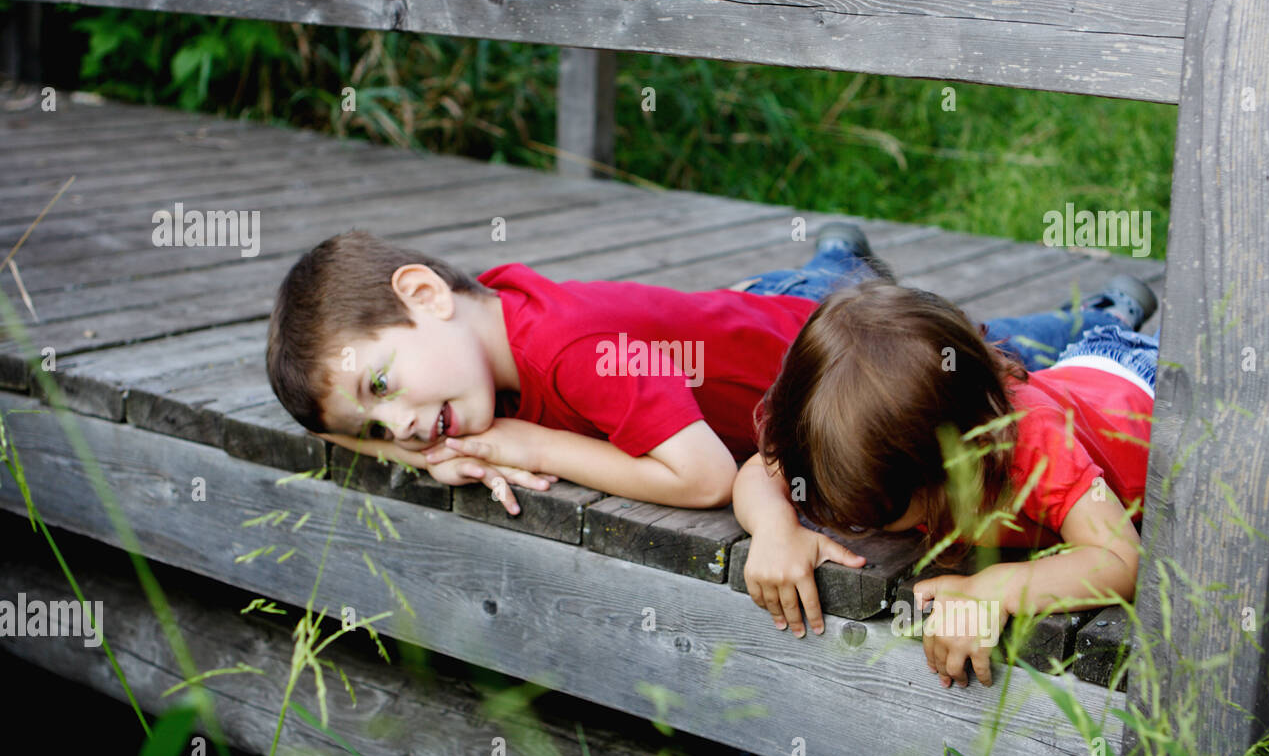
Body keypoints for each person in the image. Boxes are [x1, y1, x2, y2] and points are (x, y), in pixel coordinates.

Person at [265, 225, 1150, 516]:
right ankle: (839, 260)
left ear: (423, 294)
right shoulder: (483, 326)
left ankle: (1101, 321)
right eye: (374, 431)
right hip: (754, 312)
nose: (403, 426)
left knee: (988, 350)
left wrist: (521, 438)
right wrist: (423, 453)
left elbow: (701, 478)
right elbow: (386, 426)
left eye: (382, 389)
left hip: (840, 353)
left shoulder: (568, 352)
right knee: (817, 288)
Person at [734, 278, 1158, 688]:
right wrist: (774, 529)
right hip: (1074, 374)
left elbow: (1119, 558)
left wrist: (996, 588)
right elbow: (759, 468)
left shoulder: (1035, 447)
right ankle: (1108, 310)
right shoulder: (839, 436)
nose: (850, 522)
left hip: (1145, 388)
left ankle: (1112, 314)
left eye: (877, 512)